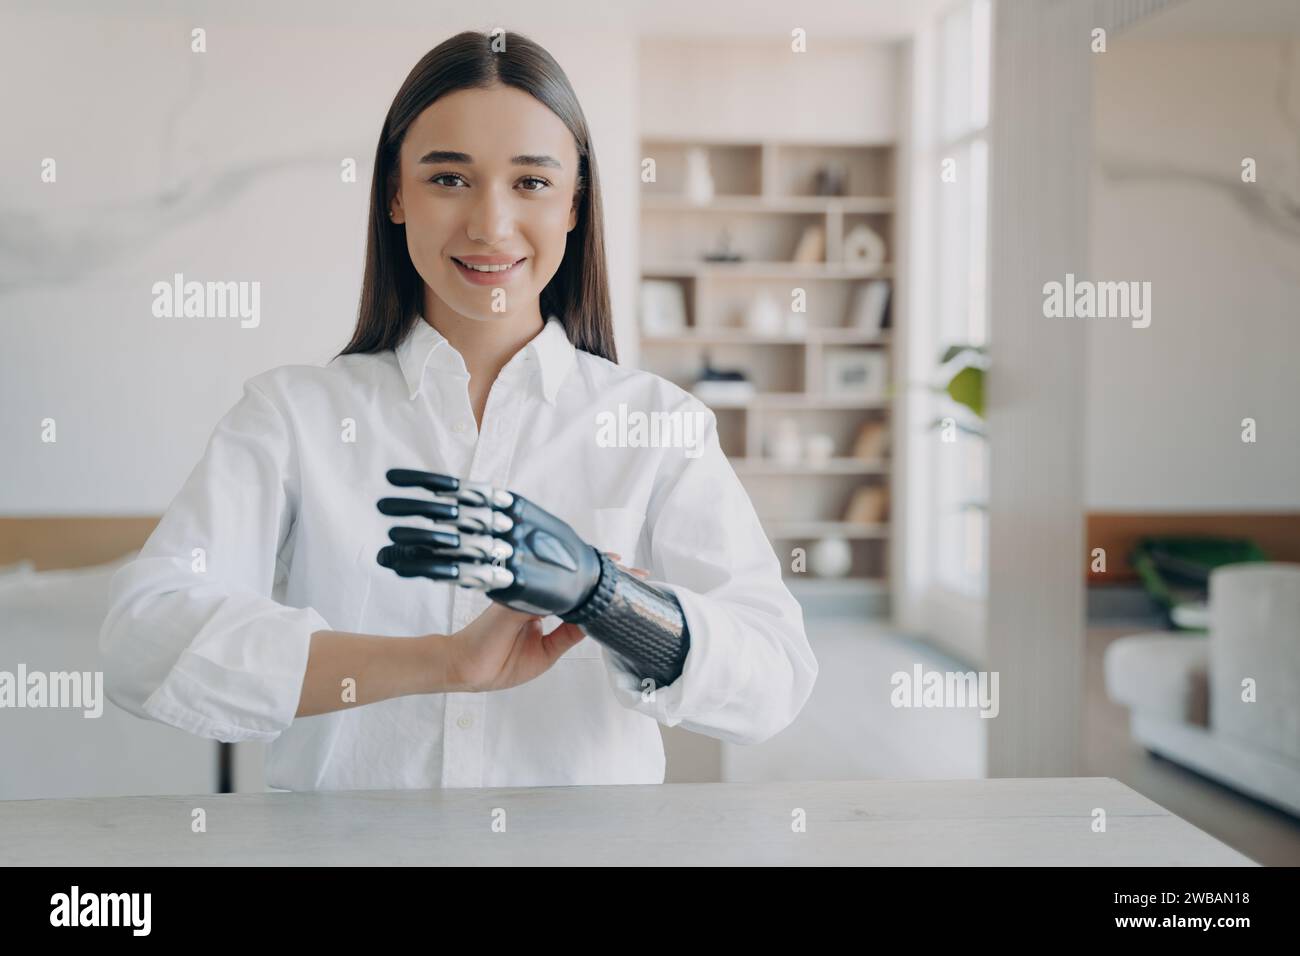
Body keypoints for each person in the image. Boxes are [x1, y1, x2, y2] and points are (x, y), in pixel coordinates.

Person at [99, 29, 817, 790]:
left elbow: (774, 680)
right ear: (395, 194)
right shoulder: (291, 415)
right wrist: (439, 664)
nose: (490, 224)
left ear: (575, 204)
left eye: (531, 183)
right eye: (449, 179)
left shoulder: (659, 426)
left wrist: (609, 600)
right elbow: (144, 640)